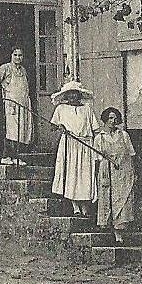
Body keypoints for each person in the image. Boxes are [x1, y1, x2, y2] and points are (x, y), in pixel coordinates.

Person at [50, 81, 98, 216]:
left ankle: (85, 205)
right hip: (69, 144)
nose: (72, 96)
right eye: (70, 94)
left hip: (85, 145)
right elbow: (53, 126)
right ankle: (75, 206)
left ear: (79, 95)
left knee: (85, 175)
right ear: (66, 95)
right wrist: (61, 127)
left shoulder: (87, 109)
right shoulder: (61, 109)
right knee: (71, 174)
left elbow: (95, 128)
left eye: (75, 94)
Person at [93, 107, 135, 244]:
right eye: (110, 118)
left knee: (122, 200)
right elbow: (97, 158)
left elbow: (131, 154)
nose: (113, 120)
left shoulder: (124, 135)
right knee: (108, 199)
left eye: (115, 118)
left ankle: (119, 232)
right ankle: (109, 228)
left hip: (123, 171)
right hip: (107, 171)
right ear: (105, 119)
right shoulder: (100, 138)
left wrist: (133, 171)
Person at [0, 48, 34, 165]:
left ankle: (17, 157)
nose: (18, 57)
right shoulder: (6, 68)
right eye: (15, 55)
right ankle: (6, 156)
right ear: (11, 55)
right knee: (12, 130)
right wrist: (0, 93)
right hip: (12, 104)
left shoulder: (23, 70)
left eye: (20, 55)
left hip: (24, 103)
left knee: (23, 131)